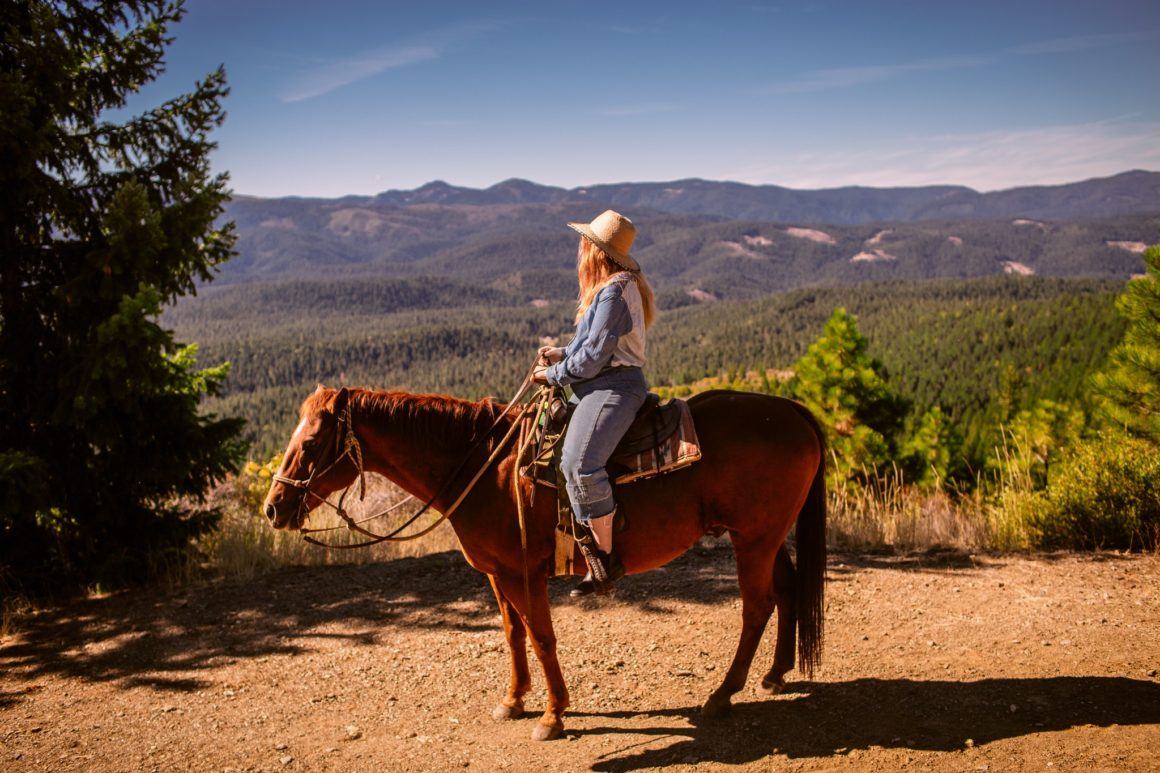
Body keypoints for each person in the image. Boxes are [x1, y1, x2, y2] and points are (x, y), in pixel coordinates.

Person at [532, 210, 657, 596]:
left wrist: (552, 375)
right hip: (602, 383)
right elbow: (588, 348)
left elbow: (591, 360)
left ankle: (604, 557)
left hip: (614, 387)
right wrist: (560, 352)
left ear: (597, 252)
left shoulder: (615, 293)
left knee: (579, 462)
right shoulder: (615, 288)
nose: (581, 249)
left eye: (586, 244)